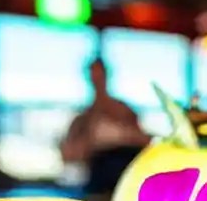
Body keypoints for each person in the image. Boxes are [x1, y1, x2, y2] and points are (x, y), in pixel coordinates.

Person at [61, 59, 149, 193]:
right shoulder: (83, 119)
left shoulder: (124, 111)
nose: (97, 80)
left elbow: (145, 141)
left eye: (100, 75)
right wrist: (89, 144)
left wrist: (121, 136)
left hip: (126, 182)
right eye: (94, 76)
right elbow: (68, 154)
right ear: (88, 78)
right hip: (96, 183)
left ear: (107, 76)